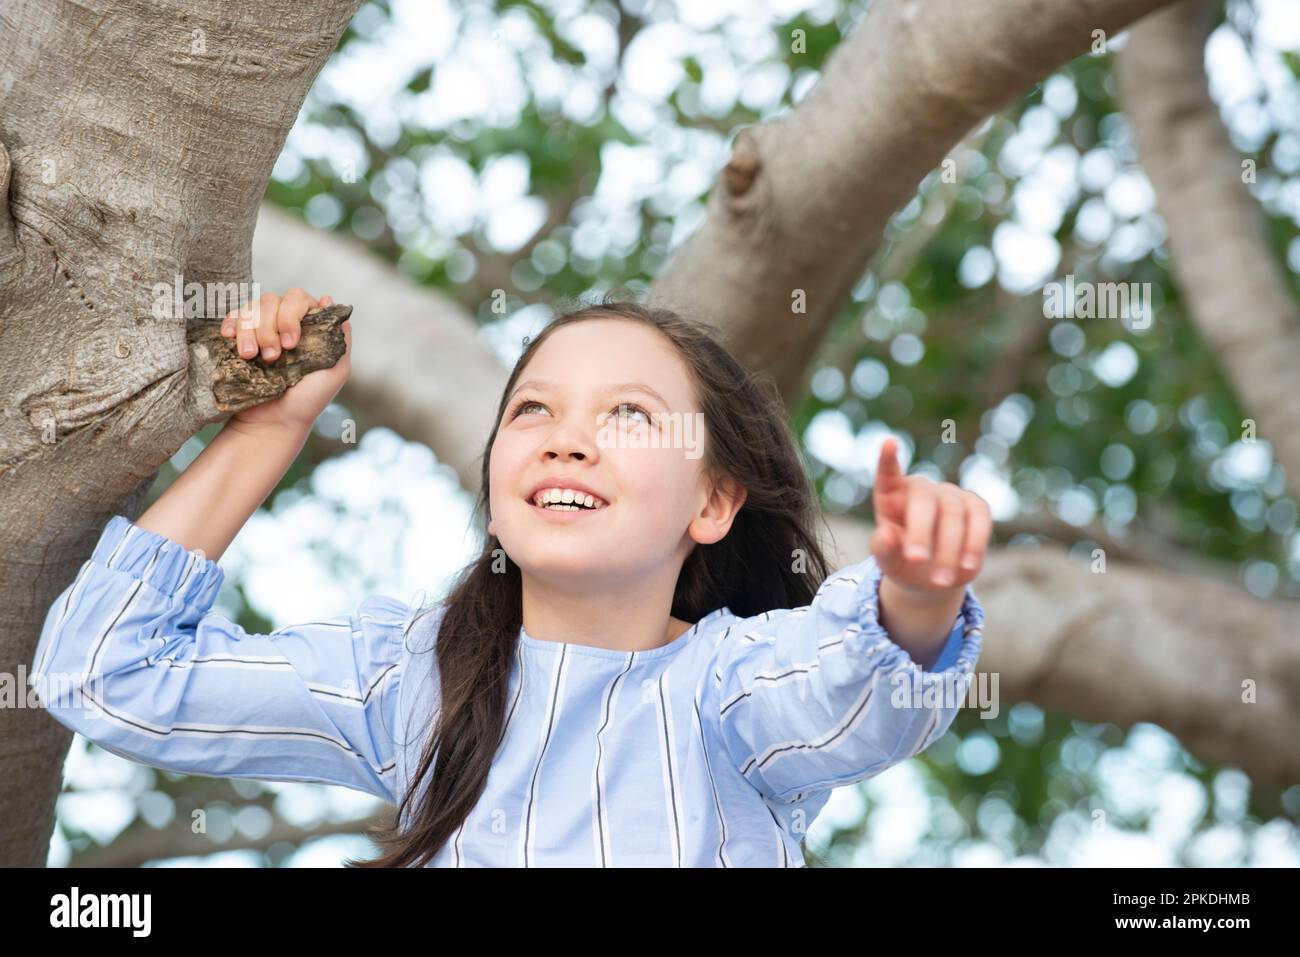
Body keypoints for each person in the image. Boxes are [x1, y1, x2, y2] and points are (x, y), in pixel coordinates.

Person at [31, 288, 990, 867]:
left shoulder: (731, 692)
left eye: (627, 416)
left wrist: (917, 592)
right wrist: (270, 427)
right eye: (533, 410)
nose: (567, 439)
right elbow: (105, 673)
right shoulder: (411, 680)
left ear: (712, 504)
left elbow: (852, 686)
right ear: (497, 490)